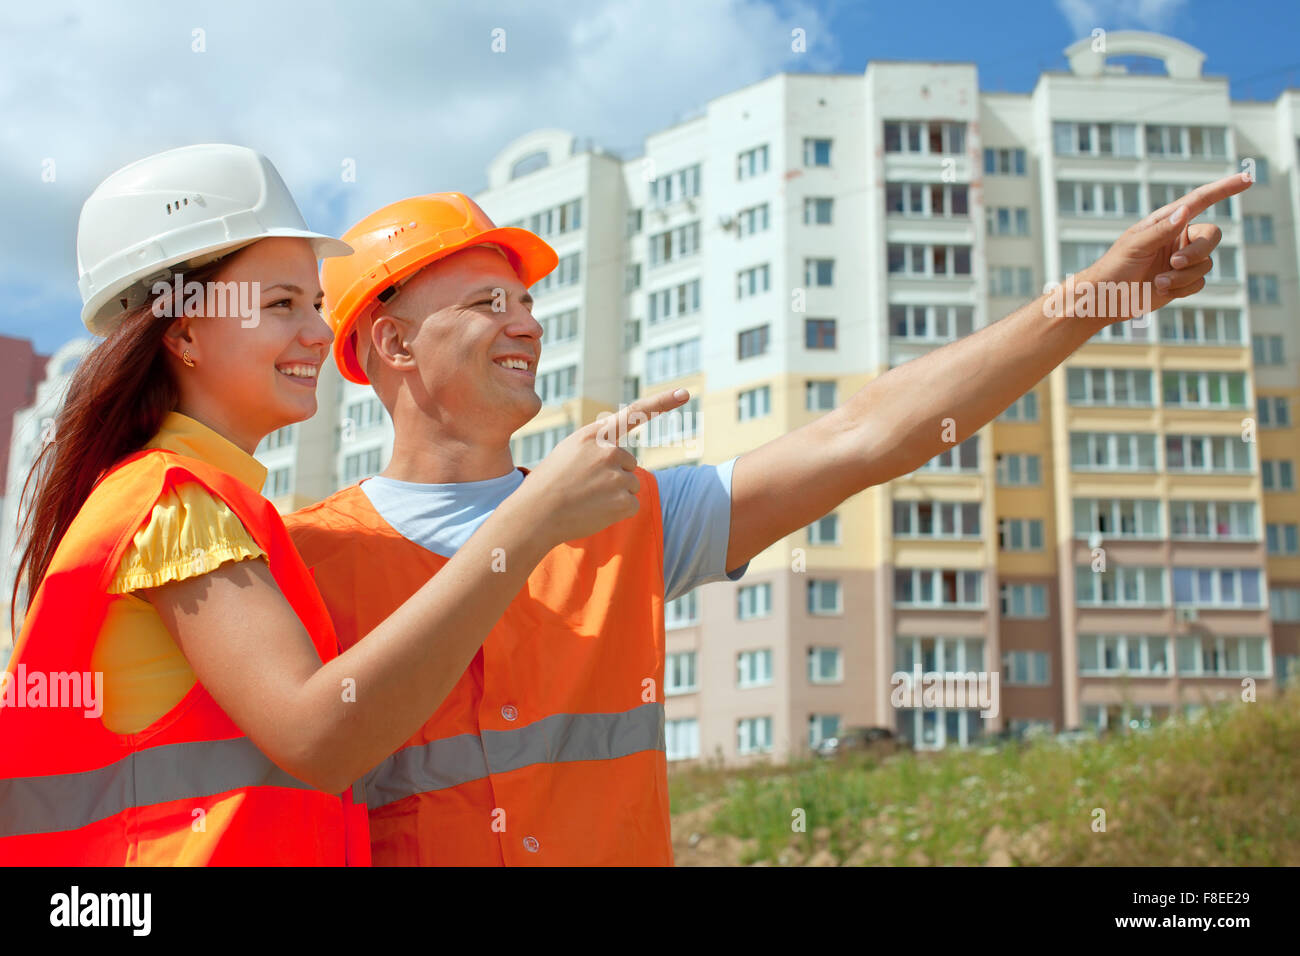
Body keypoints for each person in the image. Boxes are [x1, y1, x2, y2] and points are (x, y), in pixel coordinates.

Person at [288, 170, 1252, 866]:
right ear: (391, 344)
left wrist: (1091, 299)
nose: (530, 324)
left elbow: (864, 435)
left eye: (532, 302)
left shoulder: (624, 515)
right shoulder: (306, 558)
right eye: (490, 302)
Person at [0, 145, 681, 865]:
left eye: (316, 305)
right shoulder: (173, 501)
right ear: (186, 332)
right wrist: (529, 519)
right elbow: (320, 736)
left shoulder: (199, 498)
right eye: (281, 304)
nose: (321, 334)